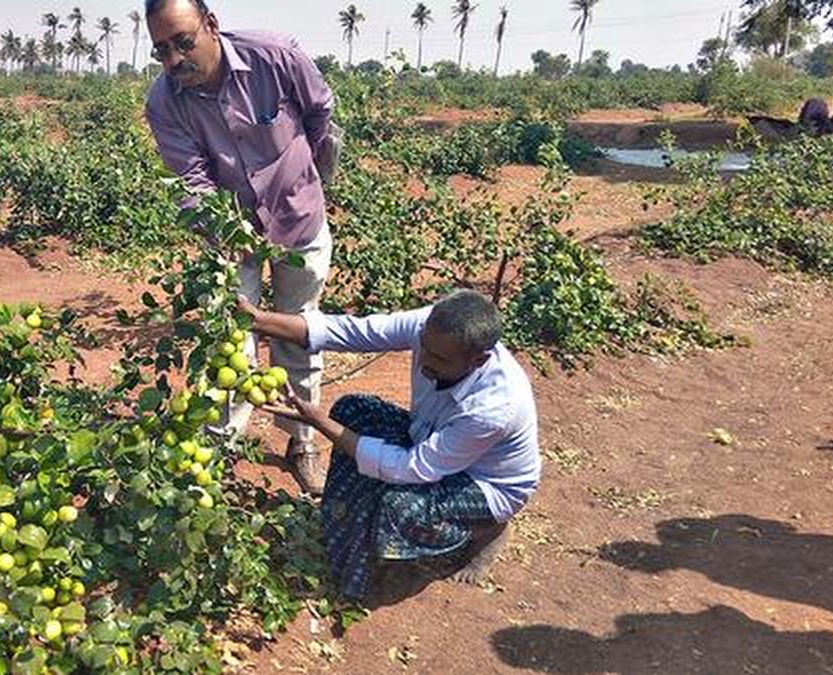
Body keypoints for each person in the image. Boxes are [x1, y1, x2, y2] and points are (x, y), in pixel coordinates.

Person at [144, 0, 341, 495]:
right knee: (231, 342)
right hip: (232, 239)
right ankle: (218, 450)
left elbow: (320, 115)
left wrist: (312, 180)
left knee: (299, 334)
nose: (174, 60)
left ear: (211, 25)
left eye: (183, 41)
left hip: (300, 221)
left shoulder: (274, 56)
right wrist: (230, 231)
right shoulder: (165, 102)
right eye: (161, 50)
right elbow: (192, 178)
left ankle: (303, 442)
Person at [239, 290, 542, 599]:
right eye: (424, 347)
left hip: (484, 484)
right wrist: (259, 321)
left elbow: (409, 468)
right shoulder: (431, 327)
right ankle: (346, 530)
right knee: (353, 411)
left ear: (478, 361)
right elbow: (353, 331)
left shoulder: (494, 408)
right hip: (429, 439)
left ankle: (484, 530)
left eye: (439, 359)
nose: (423, 359)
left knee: (398, 506)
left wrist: (318, 422)